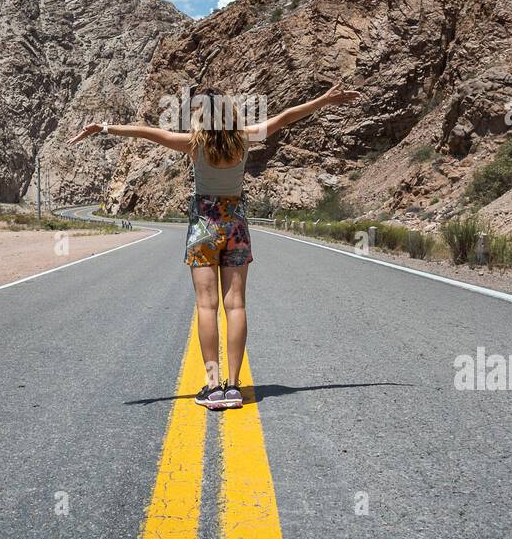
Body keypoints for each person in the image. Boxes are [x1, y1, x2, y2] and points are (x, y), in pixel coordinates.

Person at [69, 81, 362, 409]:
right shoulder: (245, 138)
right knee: (235, 305)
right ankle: (234, 387)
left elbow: (145, 132)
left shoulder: (193, 145)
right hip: (236, 224)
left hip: (204, 227)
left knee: (206, 306)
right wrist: (324, 99)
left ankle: (212, 386)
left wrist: (104, 128)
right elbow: (287, 117)